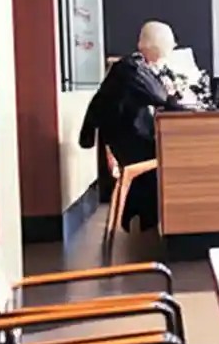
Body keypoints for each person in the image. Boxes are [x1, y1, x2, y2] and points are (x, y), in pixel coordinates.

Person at [78, 21, 184, 231]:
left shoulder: (134, 66)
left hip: (128, 141)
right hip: (130, 146)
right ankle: (170, 227)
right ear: (160, 45)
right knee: (176, 158)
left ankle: (164, 224)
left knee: (174, 155)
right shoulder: (132, 68)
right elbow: (162, 97)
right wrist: (174, 94)